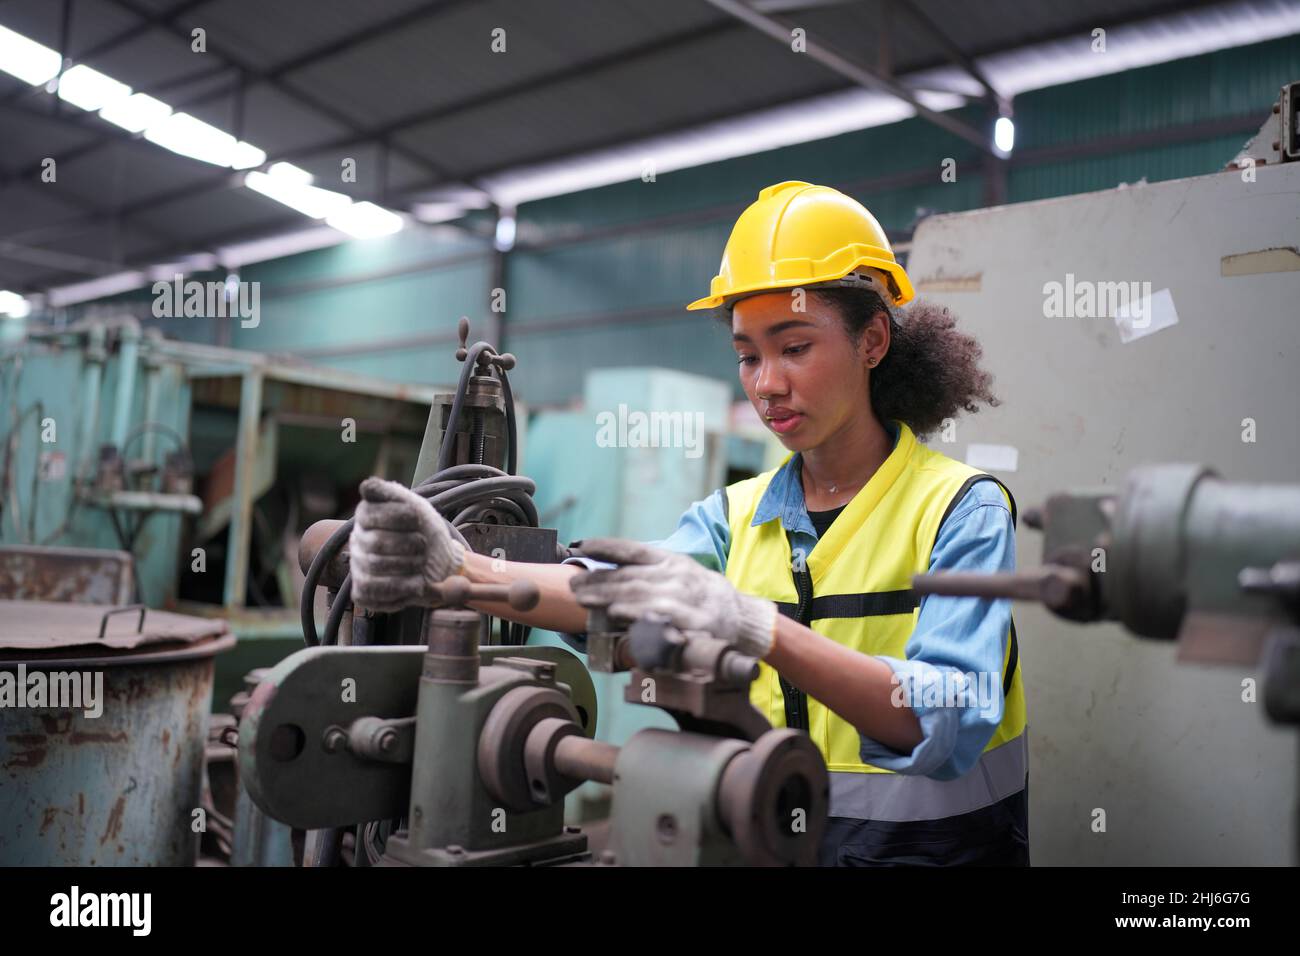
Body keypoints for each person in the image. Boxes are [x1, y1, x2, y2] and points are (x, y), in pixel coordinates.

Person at [348, 180, 1028, 866]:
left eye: (794, 347)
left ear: (873, 340)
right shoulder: (737, 513)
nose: (766, 383)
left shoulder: (960, 510)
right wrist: (461, 573)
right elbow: (614, 587)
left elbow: (945, 715)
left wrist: (759, 628)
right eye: (748, 355)